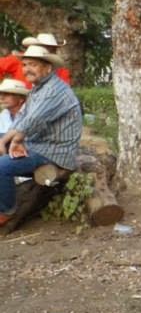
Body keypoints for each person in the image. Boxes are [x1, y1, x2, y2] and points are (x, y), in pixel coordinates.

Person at [0, 45, 81, 226]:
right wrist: (7, 139)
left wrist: (14, 139)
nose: (27, 69)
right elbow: (22, 118)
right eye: (25, 65)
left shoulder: (54, 90)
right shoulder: (38, 88)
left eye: (33, 65)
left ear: (47, 68)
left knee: (2, 166)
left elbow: (34, 120)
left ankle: (6, 211)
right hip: (38, 143)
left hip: (54, 151)